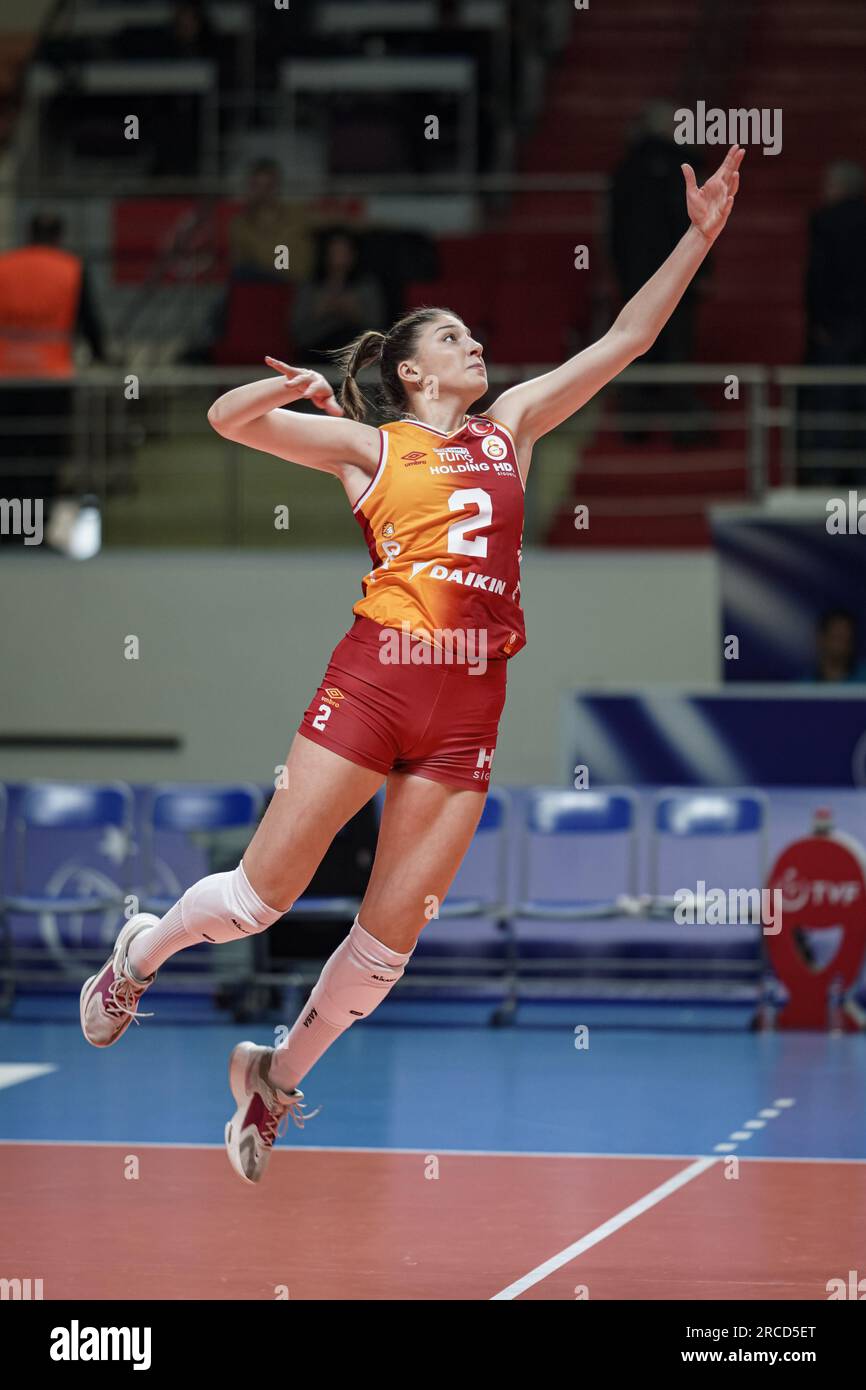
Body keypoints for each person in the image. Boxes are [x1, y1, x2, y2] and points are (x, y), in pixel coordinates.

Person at [80, 145, 745, 1185]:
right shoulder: (375, 448)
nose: (474, 343)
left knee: (386, 950)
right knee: (261, 898)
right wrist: (281, 395)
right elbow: (222, 421)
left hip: (469, 708)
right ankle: (139, 954)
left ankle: (272, 1079)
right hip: (377, 677)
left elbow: (626, 336)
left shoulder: (511, 426)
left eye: (473, 334)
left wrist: (696, 238)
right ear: (409, 371)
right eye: (453, 337)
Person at [609, 102, 710, 443]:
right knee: (677, 352)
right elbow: (699, 226)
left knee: (634, 349)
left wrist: (623, 275)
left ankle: (634, 428)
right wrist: (699, 273)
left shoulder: (626, 168)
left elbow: (614, 231)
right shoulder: (687, 168)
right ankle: (684, 431)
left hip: (636, 281)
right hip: (679, 278)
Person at [0, 212, 104, 539]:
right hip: (52, 376)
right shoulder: (71, 267)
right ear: (59, 236)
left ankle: (10, 529)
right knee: (45, 455)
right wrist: (102, 355)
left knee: (9, 454)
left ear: (28, 234)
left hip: (7, 376)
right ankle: (38, 528)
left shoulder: (5, 265)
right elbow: (89, 321)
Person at [802, 161, 866, 481]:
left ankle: (825, 481)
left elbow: (817, 278)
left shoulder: (824, 221)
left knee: (831, 407)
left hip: (836, 332)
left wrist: (819, 325)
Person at [292, 228, 385, 357]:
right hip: (316, 349)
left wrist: (354, 312)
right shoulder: (310, 287)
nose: (339, 257)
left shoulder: (366, 286)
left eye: (344, 252)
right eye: (334, 252)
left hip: (354, 349)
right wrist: (320, 310)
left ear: (354, 255)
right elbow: (297, 332)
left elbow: (377, 328)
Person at [804, 609, 866, 683]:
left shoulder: (863, 678)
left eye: (847, 639)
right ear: (821, 639)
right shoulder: (801, 688)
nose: (842, 645)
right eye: (837, 637)